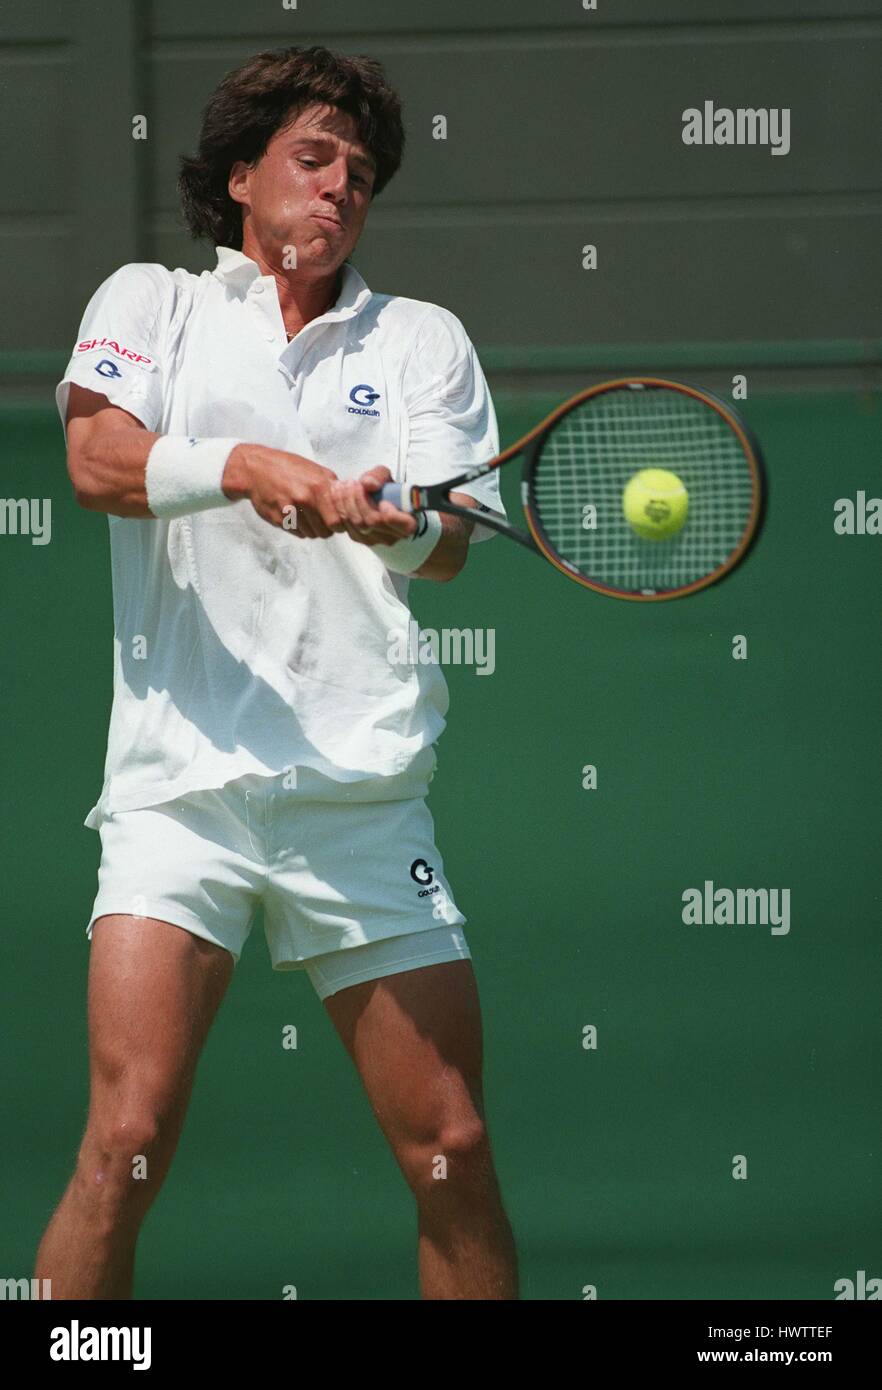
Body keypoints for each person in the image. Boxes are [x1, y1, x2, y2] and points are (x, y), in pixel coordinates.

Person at [34, 44, 518, 1300]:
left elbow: (453, 543)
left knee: (453, 1150)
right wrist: (252, 465)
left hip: (362, 802)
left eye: (361, 173)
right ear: (241, 174)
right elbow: (98, 463)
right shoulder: (150, 301)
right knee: (125, 1142)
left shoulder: (423, 341)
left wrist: (387, 521)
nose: (340, 187)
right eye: (313, 158)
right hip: (178, 795)